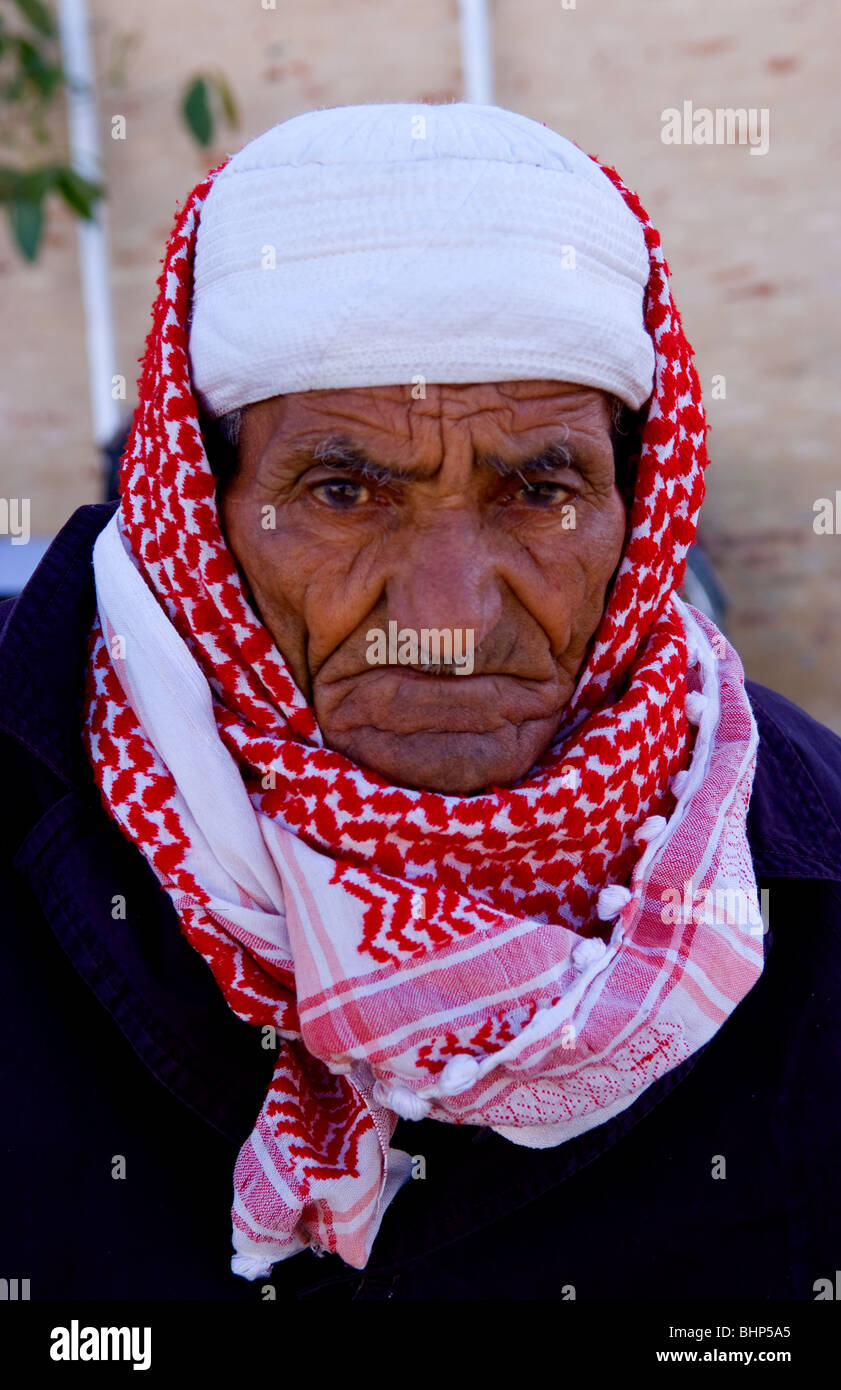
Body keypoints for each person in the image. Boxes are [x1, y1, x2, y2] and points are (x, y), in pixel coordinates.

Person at [1, 102, 839, 1302]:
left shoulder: (811, 879)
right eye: (343, 490)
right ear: (204, 507)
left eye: (539, 488)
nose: (451, 609)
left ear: (640, 515)